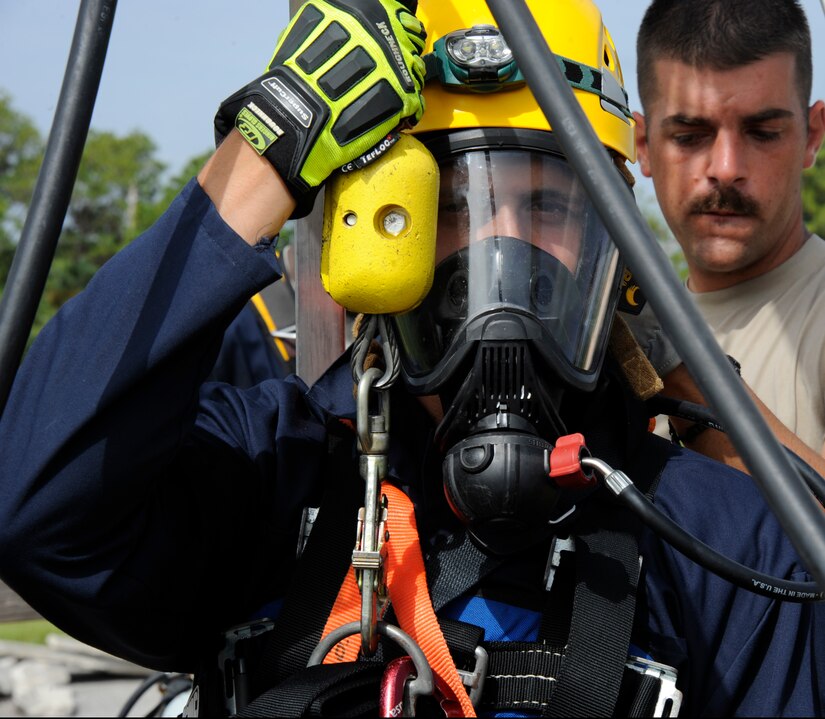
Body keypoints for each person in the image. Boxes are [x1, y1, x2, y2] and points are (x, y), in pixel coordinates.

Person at [0, 0, 822, 716]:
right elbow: (38, 512)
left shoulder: (724, 545)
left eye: (544, 205)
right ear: (364, 234)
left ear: (607, 239)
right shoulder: (275, 474)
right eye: (451, 205)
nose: (502, 252)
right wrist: (259, 161)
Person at [632, 0, 825, 465]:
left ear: (812, 136)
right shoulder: (608, 335)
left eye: (762, 132)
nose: (726, 169)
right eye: (690, 136)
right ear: (642, 146)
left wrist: (687, 379)